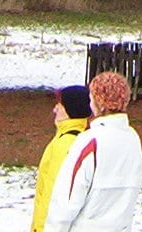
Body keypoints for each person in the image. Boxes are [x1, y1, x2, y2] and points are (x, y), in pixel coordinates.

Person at [44, 69, 142, 232]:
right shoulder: (132, 139)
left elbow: (67, 201)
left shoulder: (90, 141)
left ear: (100, 102)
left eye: (91, 98)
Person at [31, 85, 92, 232]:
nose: (55, 110)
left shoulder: (65, 143)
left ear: (70, 110)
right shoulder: (83, 137)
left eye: (60, 105)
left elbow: (53, 195)